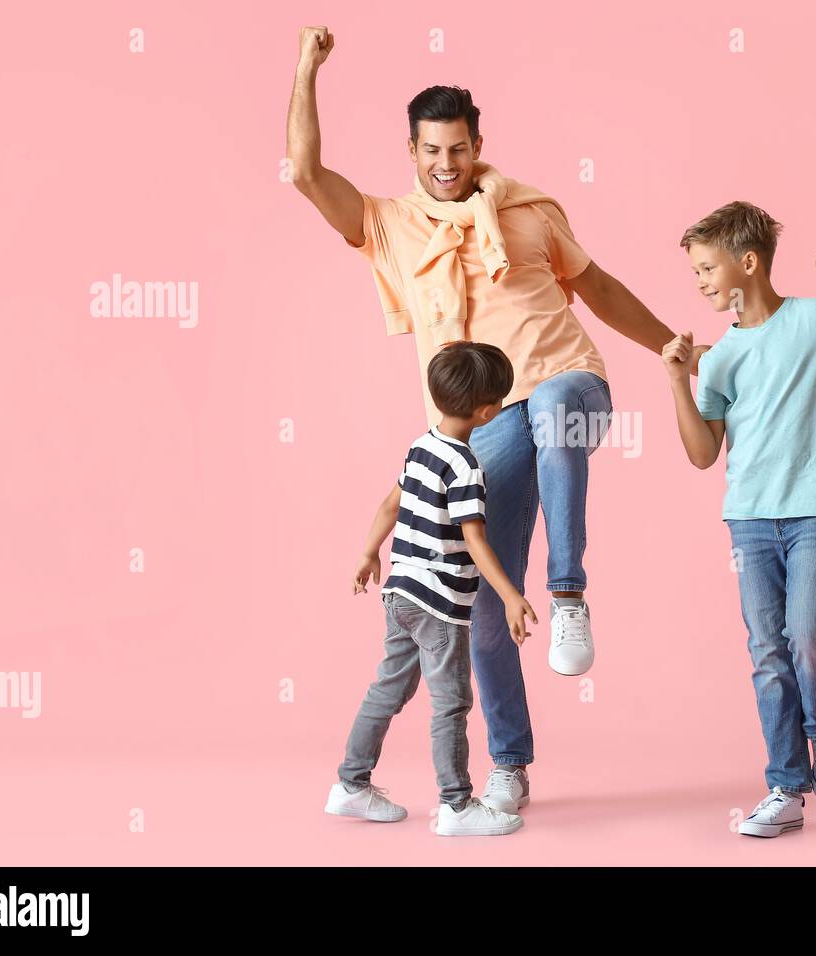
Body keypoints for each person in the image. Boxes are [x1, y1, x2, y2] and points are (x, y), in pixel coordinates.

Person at [288, 25, 700, 815]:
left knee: (550, 407)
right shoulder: (388, 224)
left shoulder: (531, 211)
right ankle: (509, 764)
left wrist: (670, 349)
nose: (448, 165)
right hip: (482, 426)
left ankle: (570, 593)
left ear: (480, 145)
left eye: (460, 149)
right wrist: (307, 66)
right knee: (475, 600)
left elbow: (602, 288)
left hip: (569, 387)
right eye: (432, 151)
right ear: (412, 152)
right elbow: (304, 171)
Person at [661, 201, 816, 837]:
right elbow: (702, 455)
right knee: (766, 652)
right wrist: (675, 380)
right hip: (748, 519)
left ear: (747, 264)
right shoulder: (718, 357)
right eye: (693, 272)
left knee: (808, 635)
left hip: (815, 510)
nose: (698, 282)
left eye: (705, 269)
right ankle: (785, 788)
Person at [325, 342, 540, 836]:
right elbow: (475, 538)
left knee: (387, 690)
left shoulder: (420, 446)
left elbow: (389, 503)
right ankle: (456, 806)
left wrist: (367, 552)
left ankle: (350, 785)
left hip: (399, 592)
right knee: (451, 703)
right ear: (488, 412)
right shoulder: (466, 468)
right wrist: (510, 595)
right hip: (439, 606)